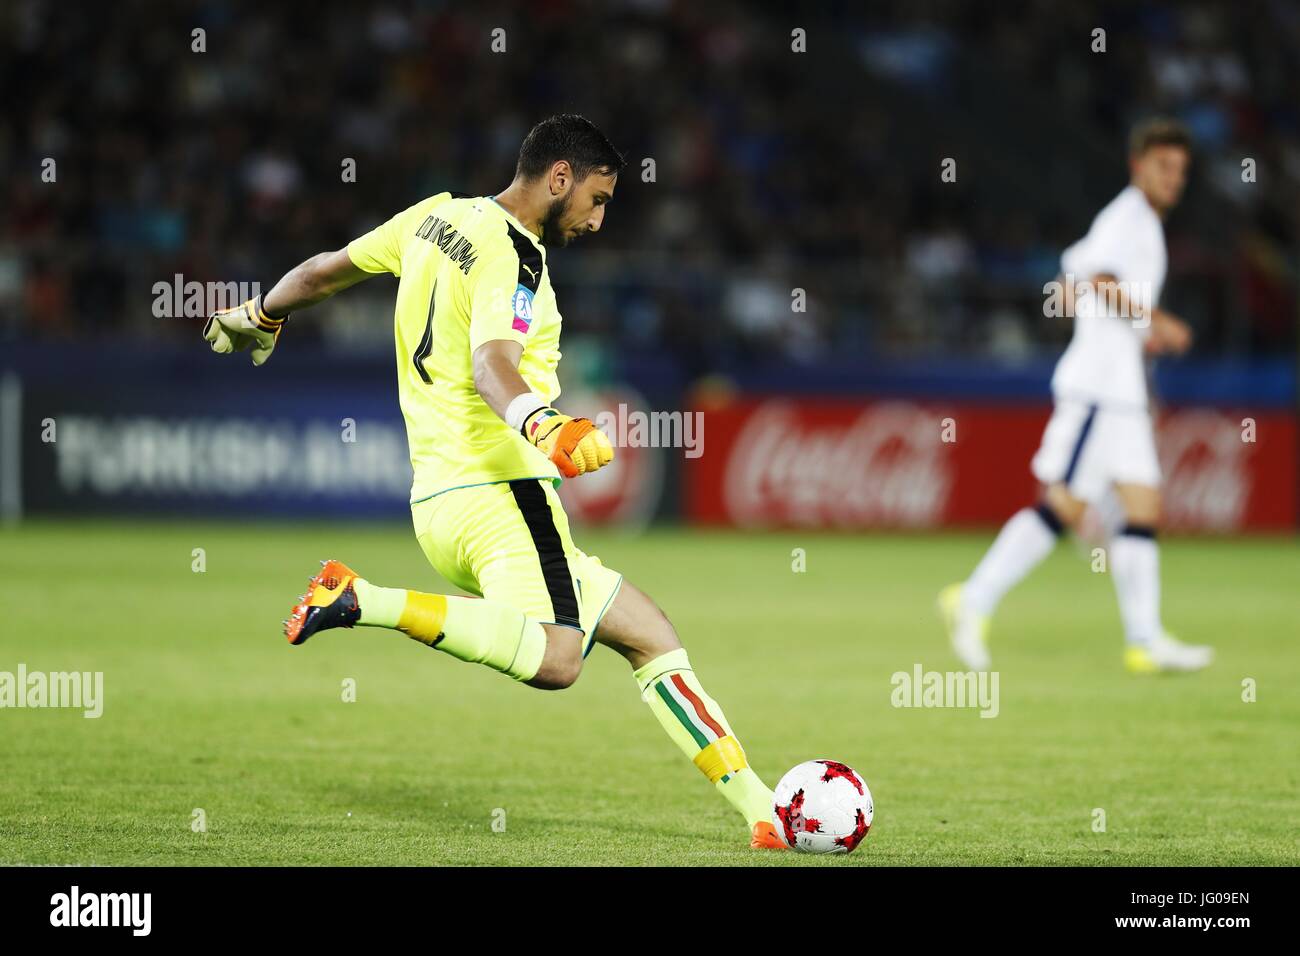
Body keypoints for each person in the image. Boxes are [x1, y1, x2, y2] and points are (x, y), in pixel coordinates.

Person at [202, 114, 785, 848]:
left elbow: (322, 271)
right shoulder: (516, 257)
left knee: (648, 634)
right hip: (503, 491)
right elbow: (492, 367)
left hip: (437, 504)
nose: (599, 221)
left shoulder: (433, 217)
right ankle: (363, 598)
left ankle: (763, 812)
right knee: (558, 658)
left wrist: (258, 312)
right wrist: (548, 427)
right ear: (560, 178)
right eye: (598, 200)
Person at [940, 118, 1212, 674]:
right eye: (1164, 166)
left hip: (1123, 393)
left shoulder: (1135, 224)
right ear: (1138, 166)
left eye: (1180, 170)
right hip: (1096, 390)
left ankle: (1145, 640)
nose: (1173, 179)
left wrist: (1126, 327)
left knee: (1143, 508)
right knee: (1063, 507)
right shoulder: (1128, 216)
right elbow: (1101, 280)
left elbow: (1074, 270)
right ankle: (973, 598)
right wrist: (1158, 322)